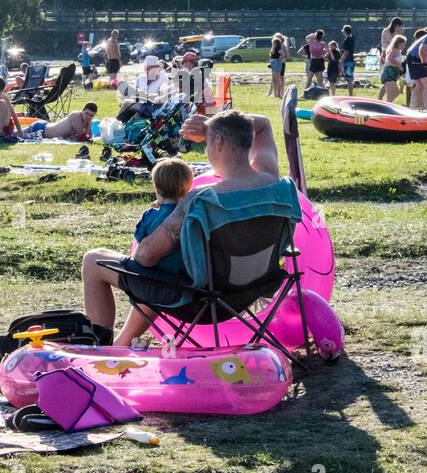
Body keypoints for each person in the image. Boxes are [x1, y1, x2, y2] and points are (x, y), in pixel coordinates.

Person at [81, 110, 280, 346]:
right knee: (169, 268)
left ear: (218, 142)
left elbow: (145, 258)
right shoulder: (272, 181)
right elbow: (263, 123)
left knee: (94, 260)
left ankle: (99, 348)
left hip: (199, 302)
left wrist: (211, 127)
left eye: (207, 142)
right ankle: (123, 342)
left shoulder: (200, 201)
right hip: (247, 293)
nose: (206, 150)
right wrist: (212, 126)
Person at [117, 56, 174, 122]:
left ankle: (116, 126)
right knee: (122, 85)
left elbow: (163, 96)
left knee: (127, 103)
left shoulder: (164, 78)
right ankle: (118, 125)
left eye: (152, 68)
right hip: (142, 99)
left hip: (152, 104)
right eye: (147, 68)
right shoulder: (141, 78)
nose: (148, 70)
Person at [21, 101, 98, 141]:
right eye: (87, 113)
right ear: (82, 111)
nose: (88, 117)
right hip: (41, 129)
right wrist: (90, 123)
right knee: (13, 135)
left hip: (44, 129)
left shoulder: (85, 121)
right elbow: (84, 138)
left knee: (14, 135)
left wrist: (89, 123)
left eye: (91, 116)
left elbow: (89, 137)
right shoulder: (76, 116)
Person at [404, 27, 427, 110]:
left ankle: (413, 107)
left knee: (419, 85)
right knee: (426, 83)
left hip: (413, 57)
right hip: (415, 58)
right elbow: (422, 51)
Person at [378, 34, 407, 102]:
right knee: (395, 92)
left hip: (392, 74)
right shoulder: (395, 50)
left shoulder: (396, 50)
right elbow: (390, 58)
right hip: (390, 73)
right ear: (397, 43)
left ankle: (384, 103)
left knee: (391, 92)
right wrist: (400, 66)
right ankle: (386, 105)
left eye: (404, 45)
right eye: (402, 44)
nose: (404, 46)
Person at [339, 25, 357, 95]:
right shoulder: (351, 38)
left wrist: (341, 61)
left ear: (344, 31)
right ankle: (350, 94)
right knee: (349, 79)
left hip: (348, 61)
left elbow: (346, 52)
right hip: (351, 60)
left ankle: (350, 95)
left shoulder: (347, 40)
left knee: (349, 79)